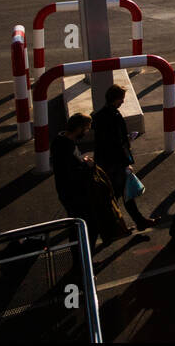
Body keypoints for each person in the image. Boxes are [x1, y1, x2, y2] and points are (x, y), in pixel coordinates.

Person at [51, 112, 123, 249]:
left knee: (79, 227)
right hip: (75, 194)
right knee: (87, 227)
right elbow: (70, 172)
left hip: (67, 192)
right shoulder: (67, 146)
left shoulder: (60, 140)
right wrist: (87, 166)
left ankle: (82, 260)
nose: (87, 131)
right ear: (79, 128)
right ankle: (83, 261)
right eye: (86, 128)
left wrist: (82, 161)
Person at [92, 84, 152, 230]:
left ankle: (135, 222)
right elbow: (117, 143)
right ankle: (115, 227)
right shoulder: (115, 116)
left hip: (103, 162)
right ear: (115, 99)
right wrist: (126, 163)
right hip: (116, 163)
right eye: (121, 99)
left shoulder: (99, 116)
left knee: (118, 194)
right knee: (121, 194)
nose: (123, 102)